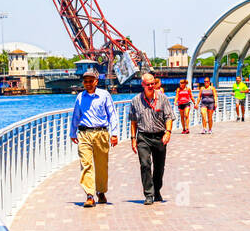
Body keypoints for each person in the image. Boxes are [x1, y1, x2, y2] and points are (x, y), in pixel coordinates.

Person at [70, 69, 119, 208]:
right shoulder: (80, 97)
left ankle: (101, 191)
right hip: (84, 133)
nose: (88, 83)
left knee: (101, 165)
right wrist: (72, 133)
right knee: (86, 164)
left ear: (96, 82)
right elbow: (76, 115)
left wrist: (114, 134)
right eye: (85, 81)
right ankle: (89, 195)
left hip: (101, 133)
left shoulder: (104, 95)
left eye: (91, 81)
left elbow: (112, 115)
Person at [130, 72, 174, 204]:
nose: (151, 86)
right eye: (148, 84)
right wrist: (133, 138)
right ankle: (149, 194)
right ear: (142, 85)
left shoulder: (163, 98)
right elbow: (133, 121)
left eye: (153, 84)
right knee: (145, 164)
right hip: (143, 136)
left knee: (159, 167)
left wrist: (168, 133)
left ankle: (157, 189)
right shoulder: (135, 101)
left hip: (160, 136)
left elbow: (169, 117)